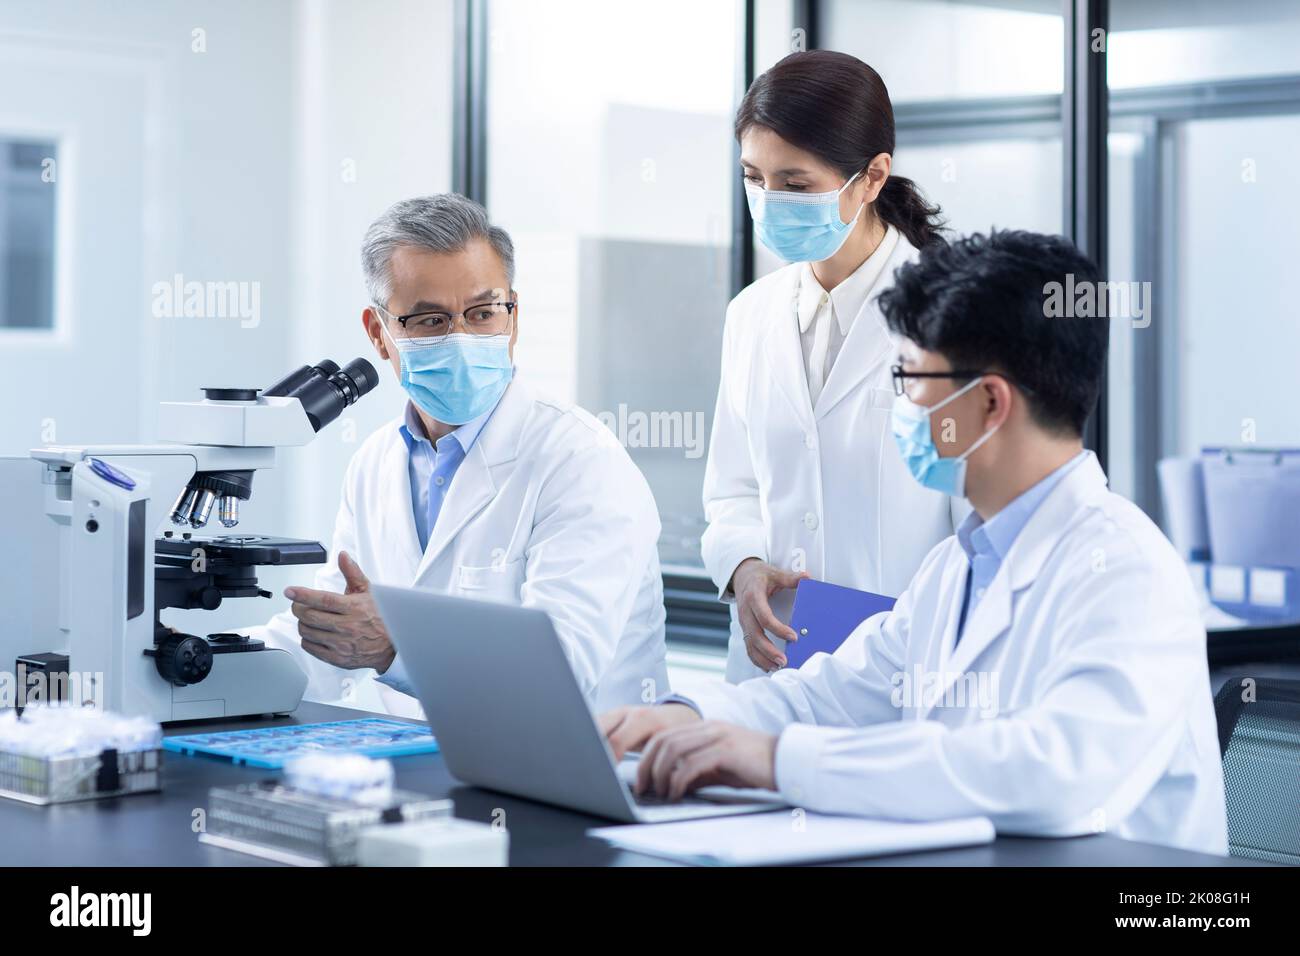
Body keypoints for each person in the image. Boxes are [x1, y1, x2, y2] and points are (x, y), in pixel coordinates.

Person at [601, 230, 1228, 854]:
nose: (903, 404)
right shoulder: (959, 565)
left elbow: (1053, 774)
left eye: (912, 379)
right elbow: (832, 695)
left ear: (988, 402)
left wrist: (780, 761)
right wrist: (687, 716)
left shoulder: (1124, 569)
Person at [250, 194, 669, 717]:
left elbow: (560, 670)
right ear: (379, 334)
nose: (462, 337)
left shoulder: (581, 461)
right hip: (421, 766)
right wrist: (190, 662)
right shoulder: (376, 463)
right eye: (429, 321)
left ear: (513, 316)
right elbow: (333, 636)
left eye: (482, 312)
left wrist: (396, 648)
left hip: (569, 775)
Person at [704, 49, 961, 683]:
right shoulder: (751, 314)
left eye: (795, 184)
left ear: (872, 177)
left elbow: (978, 523)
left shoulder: (952, 315)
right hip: (772, 660)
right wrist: (744, 566)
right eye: (753, 177)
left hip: (902, 668)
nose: (767, 200)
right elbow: (732, 489)